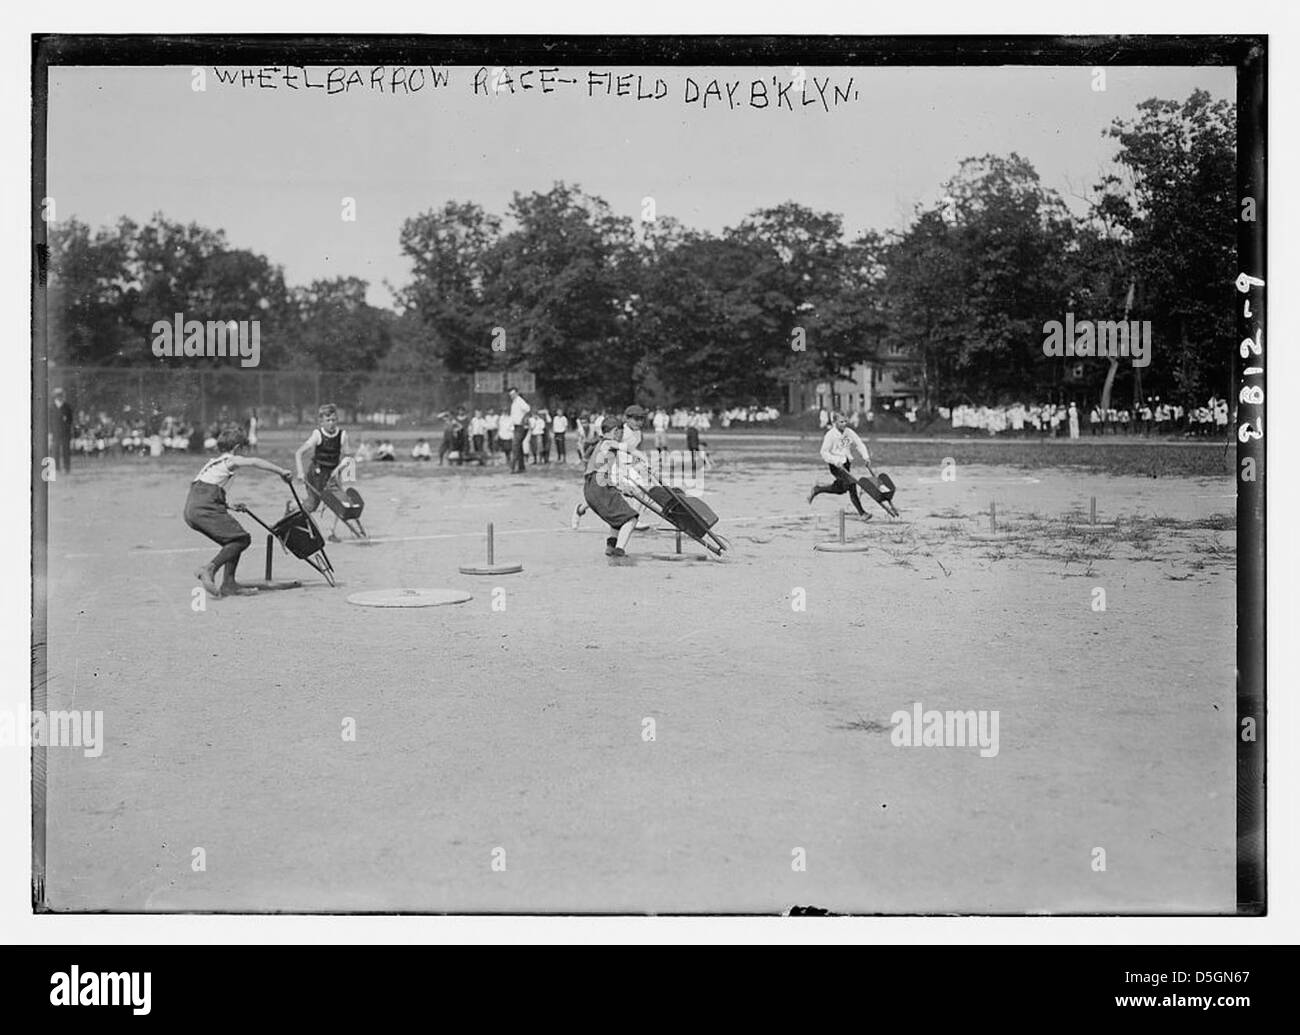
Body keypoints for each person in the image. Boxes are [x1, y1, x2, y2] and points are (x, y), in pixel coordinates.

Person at [184, 429, 294, 597]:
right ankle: (209, 569)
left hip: (192, 511)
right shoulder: (230, 460)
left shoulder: (212, 463)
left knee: (232, 542)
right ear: (237, 448)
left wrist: (227, 506)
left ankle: (229, 584)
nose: (244, 454)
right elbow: (255, 462)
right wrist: (281, 471)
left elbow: (204, 490)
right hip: (205, 509)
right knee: (241, 539)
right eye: (244, 450)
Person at [582, 416, 641, 559]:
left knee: (617, 519)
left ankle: (611, 547)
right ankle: (619, 551)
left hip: (591, 487)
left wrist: (621, 488)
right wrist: (645, 459)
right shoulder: (607, 443)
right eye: (621, 433)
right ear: (615, 431)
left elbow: (606, 474)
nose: (622, 436)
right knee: (631, 518)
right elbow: (629, 449)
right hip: (598, 486)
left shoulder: (600, 445)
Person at [807, 411, 873, 520]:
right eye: (841, 422)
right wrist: (835, 461)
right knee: (852, 484)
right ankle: (862, 513)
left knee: (840, 489)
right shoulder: (830, 435)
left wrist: (866, 457)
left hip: (846, 464)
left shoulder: (849, 432)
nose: (844, 424)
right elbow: (824, 452)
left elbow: (859, 444)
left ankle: (817, 489)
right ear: (834, 422)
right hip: (836, 466)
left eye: (845, 421)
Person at [295, 404, 352, 514]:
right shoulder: (317, 434)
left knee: (344, 505)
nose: (331, 423)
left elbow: (348, 458)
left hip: (332, 476)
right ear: (321, 422)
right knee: (312, 506)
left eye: (334, 420)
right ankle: (292, 506)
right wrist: (300, 472)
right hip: (316, 475)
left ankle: (335, 531)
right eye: (328, 420)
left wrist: (339, 469)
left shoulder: (343, 435)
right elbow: (299, 453)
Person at [50, 388, 74, 475]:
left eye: (61, 395)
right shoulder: (51, 407)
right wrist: (50, 432)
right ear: (55, 396)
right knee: (55, 450)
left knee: (66, 450)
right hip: (55, 432)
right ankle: (57, 468)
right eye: (58, 395)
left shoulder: (67, 407)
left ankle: (67, 468)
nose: (60, 397)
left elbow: (70, 420)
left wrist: (67, 423)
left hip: (65, 432)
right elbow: (49, 421)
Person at [507, 386, 531, 473]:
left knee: (515, 446)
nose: (512, 396)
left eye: (513, 394)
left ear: (516, 393)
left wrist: (523, 419)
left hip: (520, 426)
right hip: (516, 426)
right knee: (518, 446)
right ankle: (521, 467)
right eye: (510, 395)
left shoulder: (519, 401)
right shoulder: (514, 402)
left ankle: (513, 467)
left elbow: (528, 409)